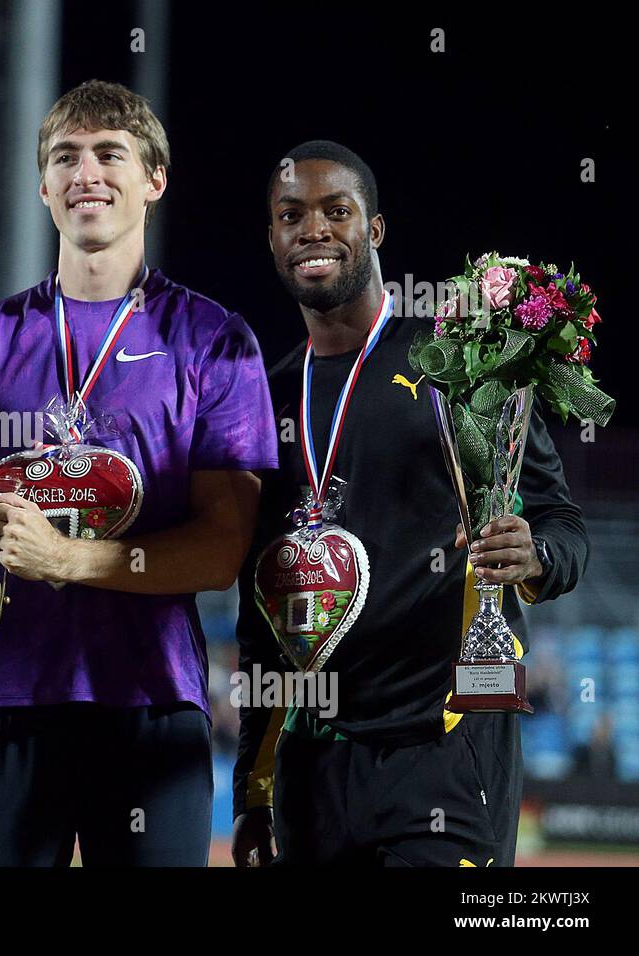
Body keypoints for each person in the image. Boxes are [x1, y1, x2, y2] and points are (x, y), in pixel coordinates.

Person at [0, 79, 277, 866]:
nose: (87, 174)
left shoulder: (214, 340)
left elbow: (221, 549)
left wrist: (74, 560)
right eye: (66, 157)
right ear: (42, 186)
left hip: (149, 707)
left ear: (154, 181)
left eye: (111, 154)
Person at [231, 140, 589, 867]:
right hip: (314, 767)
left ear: (376, 230)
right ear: (272, 238)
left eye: (338, 211)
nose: (314, 230)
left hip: (444, 753)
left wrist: (535, 554)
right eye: (290, 215)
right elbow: (260, 610)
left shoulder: (460, 362)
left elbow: (563, 525)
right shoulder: (261, 399)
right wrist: (254, 785)